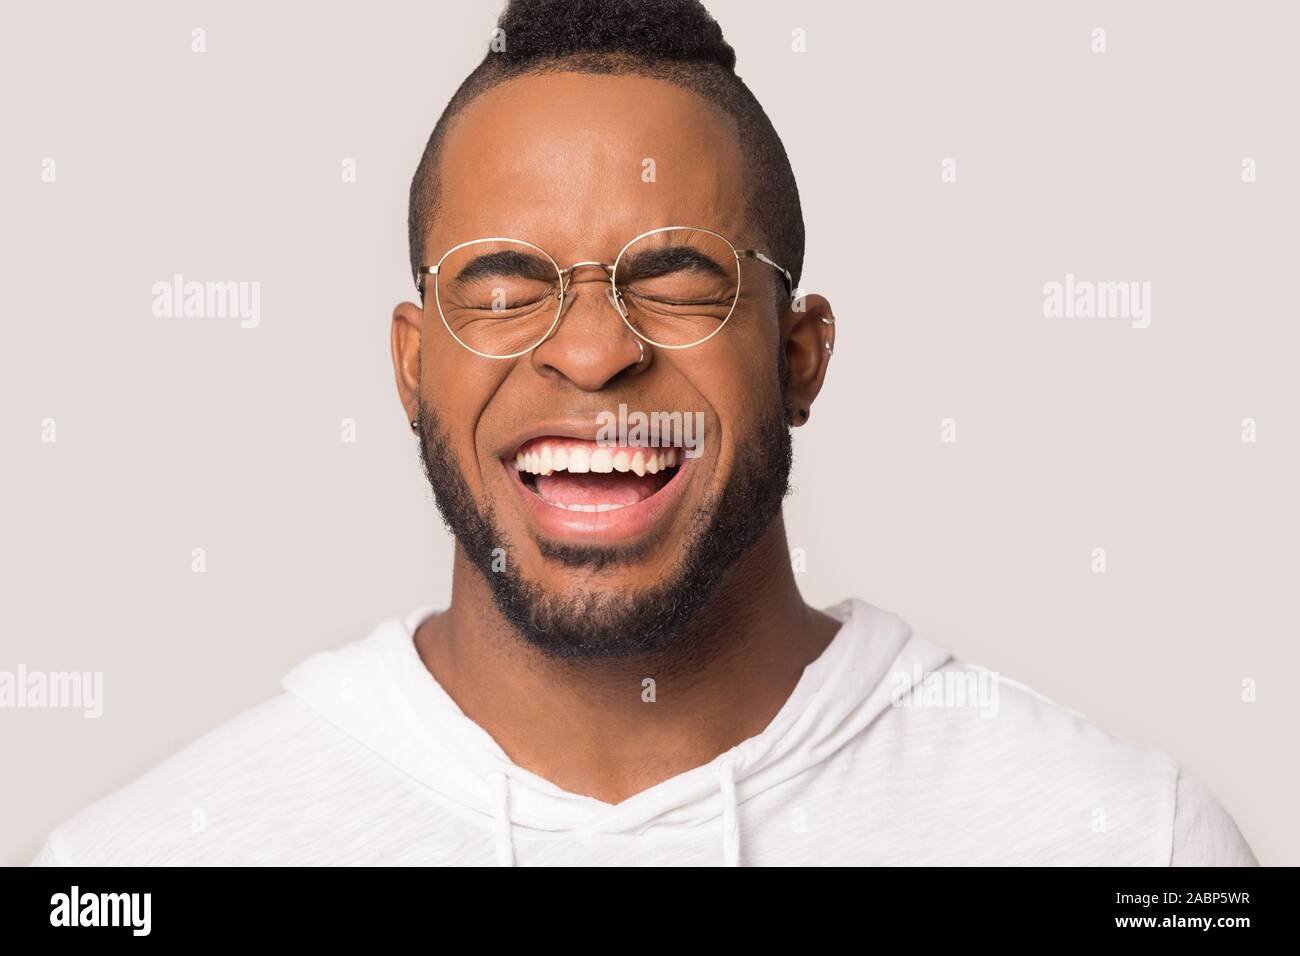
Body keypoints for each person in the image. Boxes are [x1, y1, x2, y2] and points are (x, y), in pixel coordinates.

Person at [32, 0, 1257, 866]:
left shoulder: (1128, 848)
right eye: (505, 280)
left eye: (674, 278)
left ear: (799, 354)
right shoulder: (136, 867)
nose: (588, 350)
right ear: (413, 366)